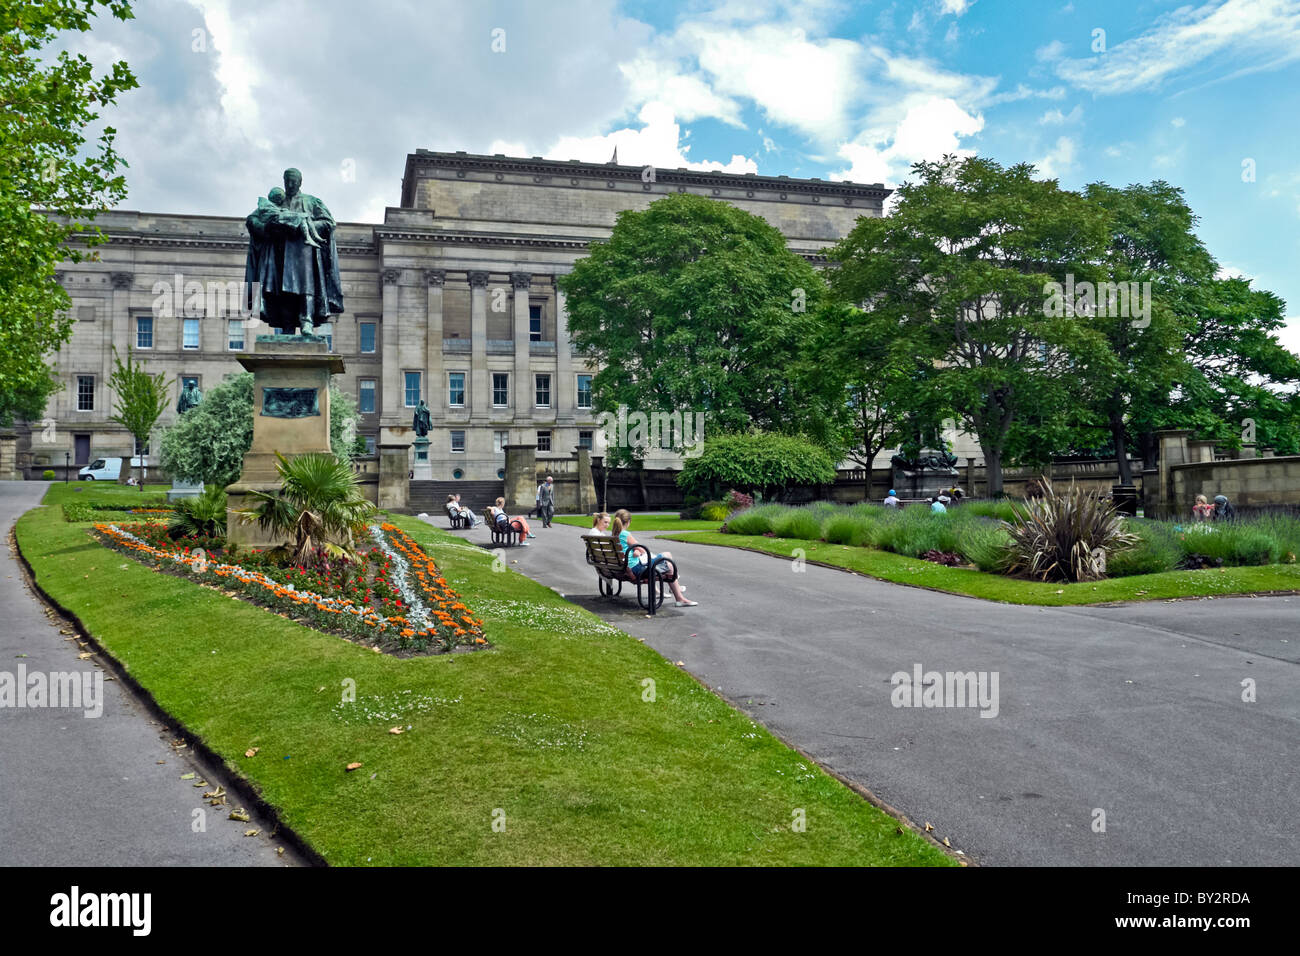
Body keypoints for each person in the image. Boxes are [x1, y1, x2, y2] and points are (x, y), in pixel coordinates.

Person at [612, 509, 696, 607]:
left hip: (623, 568)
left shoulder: (614, 534)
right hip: (635, 568)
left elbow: (628, 549)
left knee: (665, 562)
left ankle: (676, 591)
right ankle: (678, 593)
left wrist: (634, 551)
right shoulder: (625, 534)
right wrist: (637, 551)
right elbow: (643, 550)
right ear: (628, 522)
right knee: (667, 558)